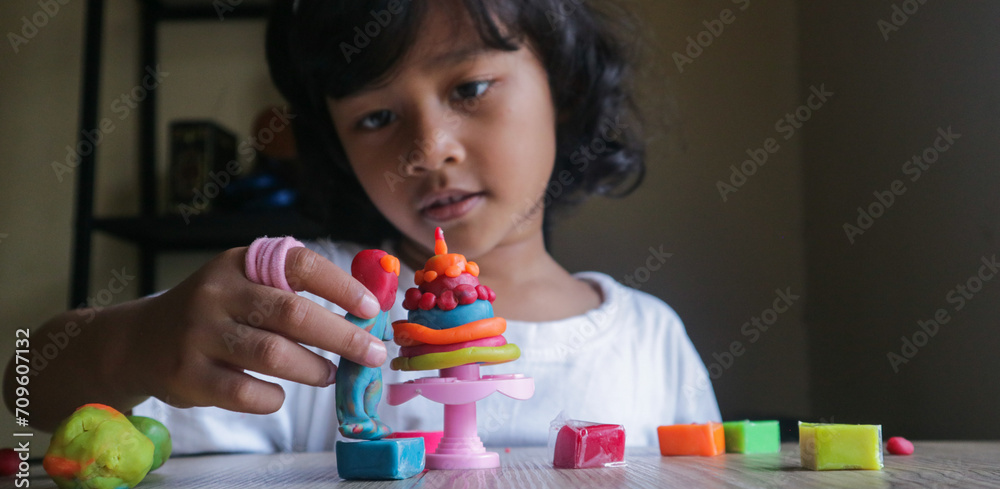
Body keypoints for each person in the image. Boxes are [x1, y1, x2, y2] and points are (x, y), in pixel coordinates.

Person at [3, 0, 719, 453]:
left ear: (561, 86)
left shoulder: (651, 341)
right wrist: (143, 337)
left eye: (469, 88)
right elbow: (24, 383)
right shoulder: (312, 307)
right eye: (375, 117)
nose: (428, 147)